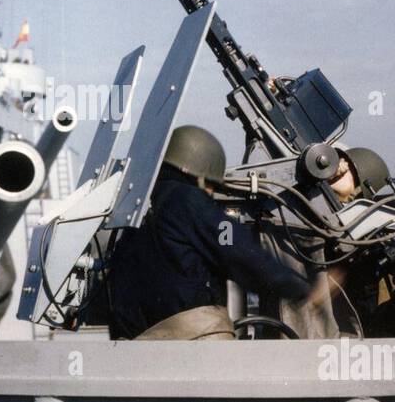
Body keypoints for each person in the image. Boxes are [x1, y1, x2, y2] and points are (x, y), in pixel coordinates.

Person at [103, 125, 311, 340]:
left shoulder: (135, 212)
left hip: (138, 344)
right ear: (201, 178)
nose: (212, 195)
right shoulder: (189, 200)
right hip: (193, 339)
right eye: (213, 187)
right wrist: (297, 286)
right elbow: (236, 248)